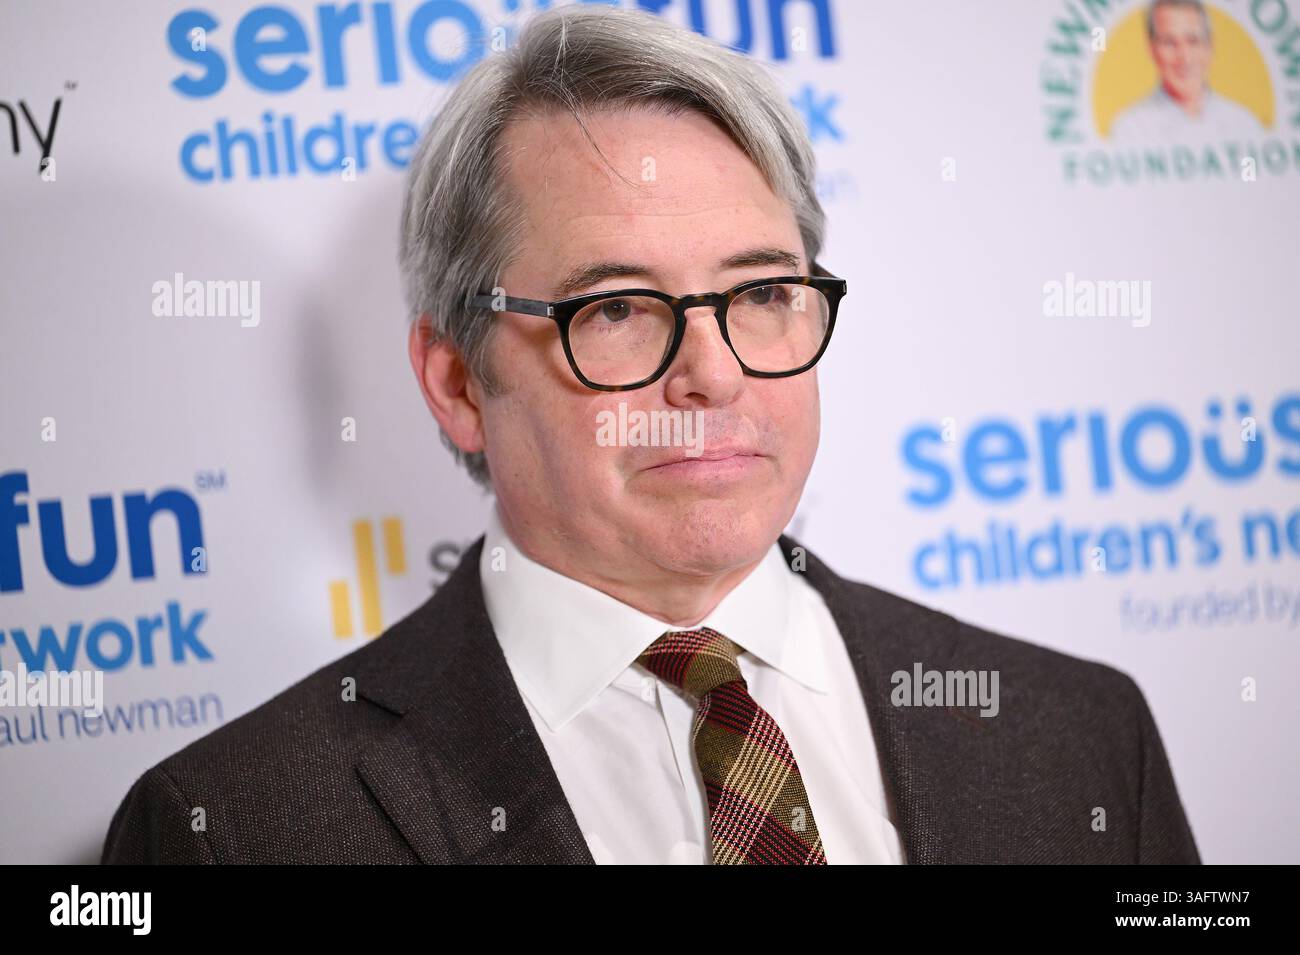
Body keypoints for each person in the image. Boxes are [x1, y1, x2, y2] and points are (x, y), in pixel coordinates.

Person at [102, 5, 1200, 865]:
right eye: (616, 308)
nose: (714, 372)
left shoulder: (1078, 731)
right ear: (456, 381)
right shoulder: (229, 827)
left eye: (762, 291)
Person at [1110, 0, 1262, 143]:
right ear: (1152, 49)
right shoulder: (1128, 129)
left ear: (1210, 45)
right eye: (1169, 43)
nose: (1184, 57)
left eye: (1193, 41)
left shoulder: (1244, 124)